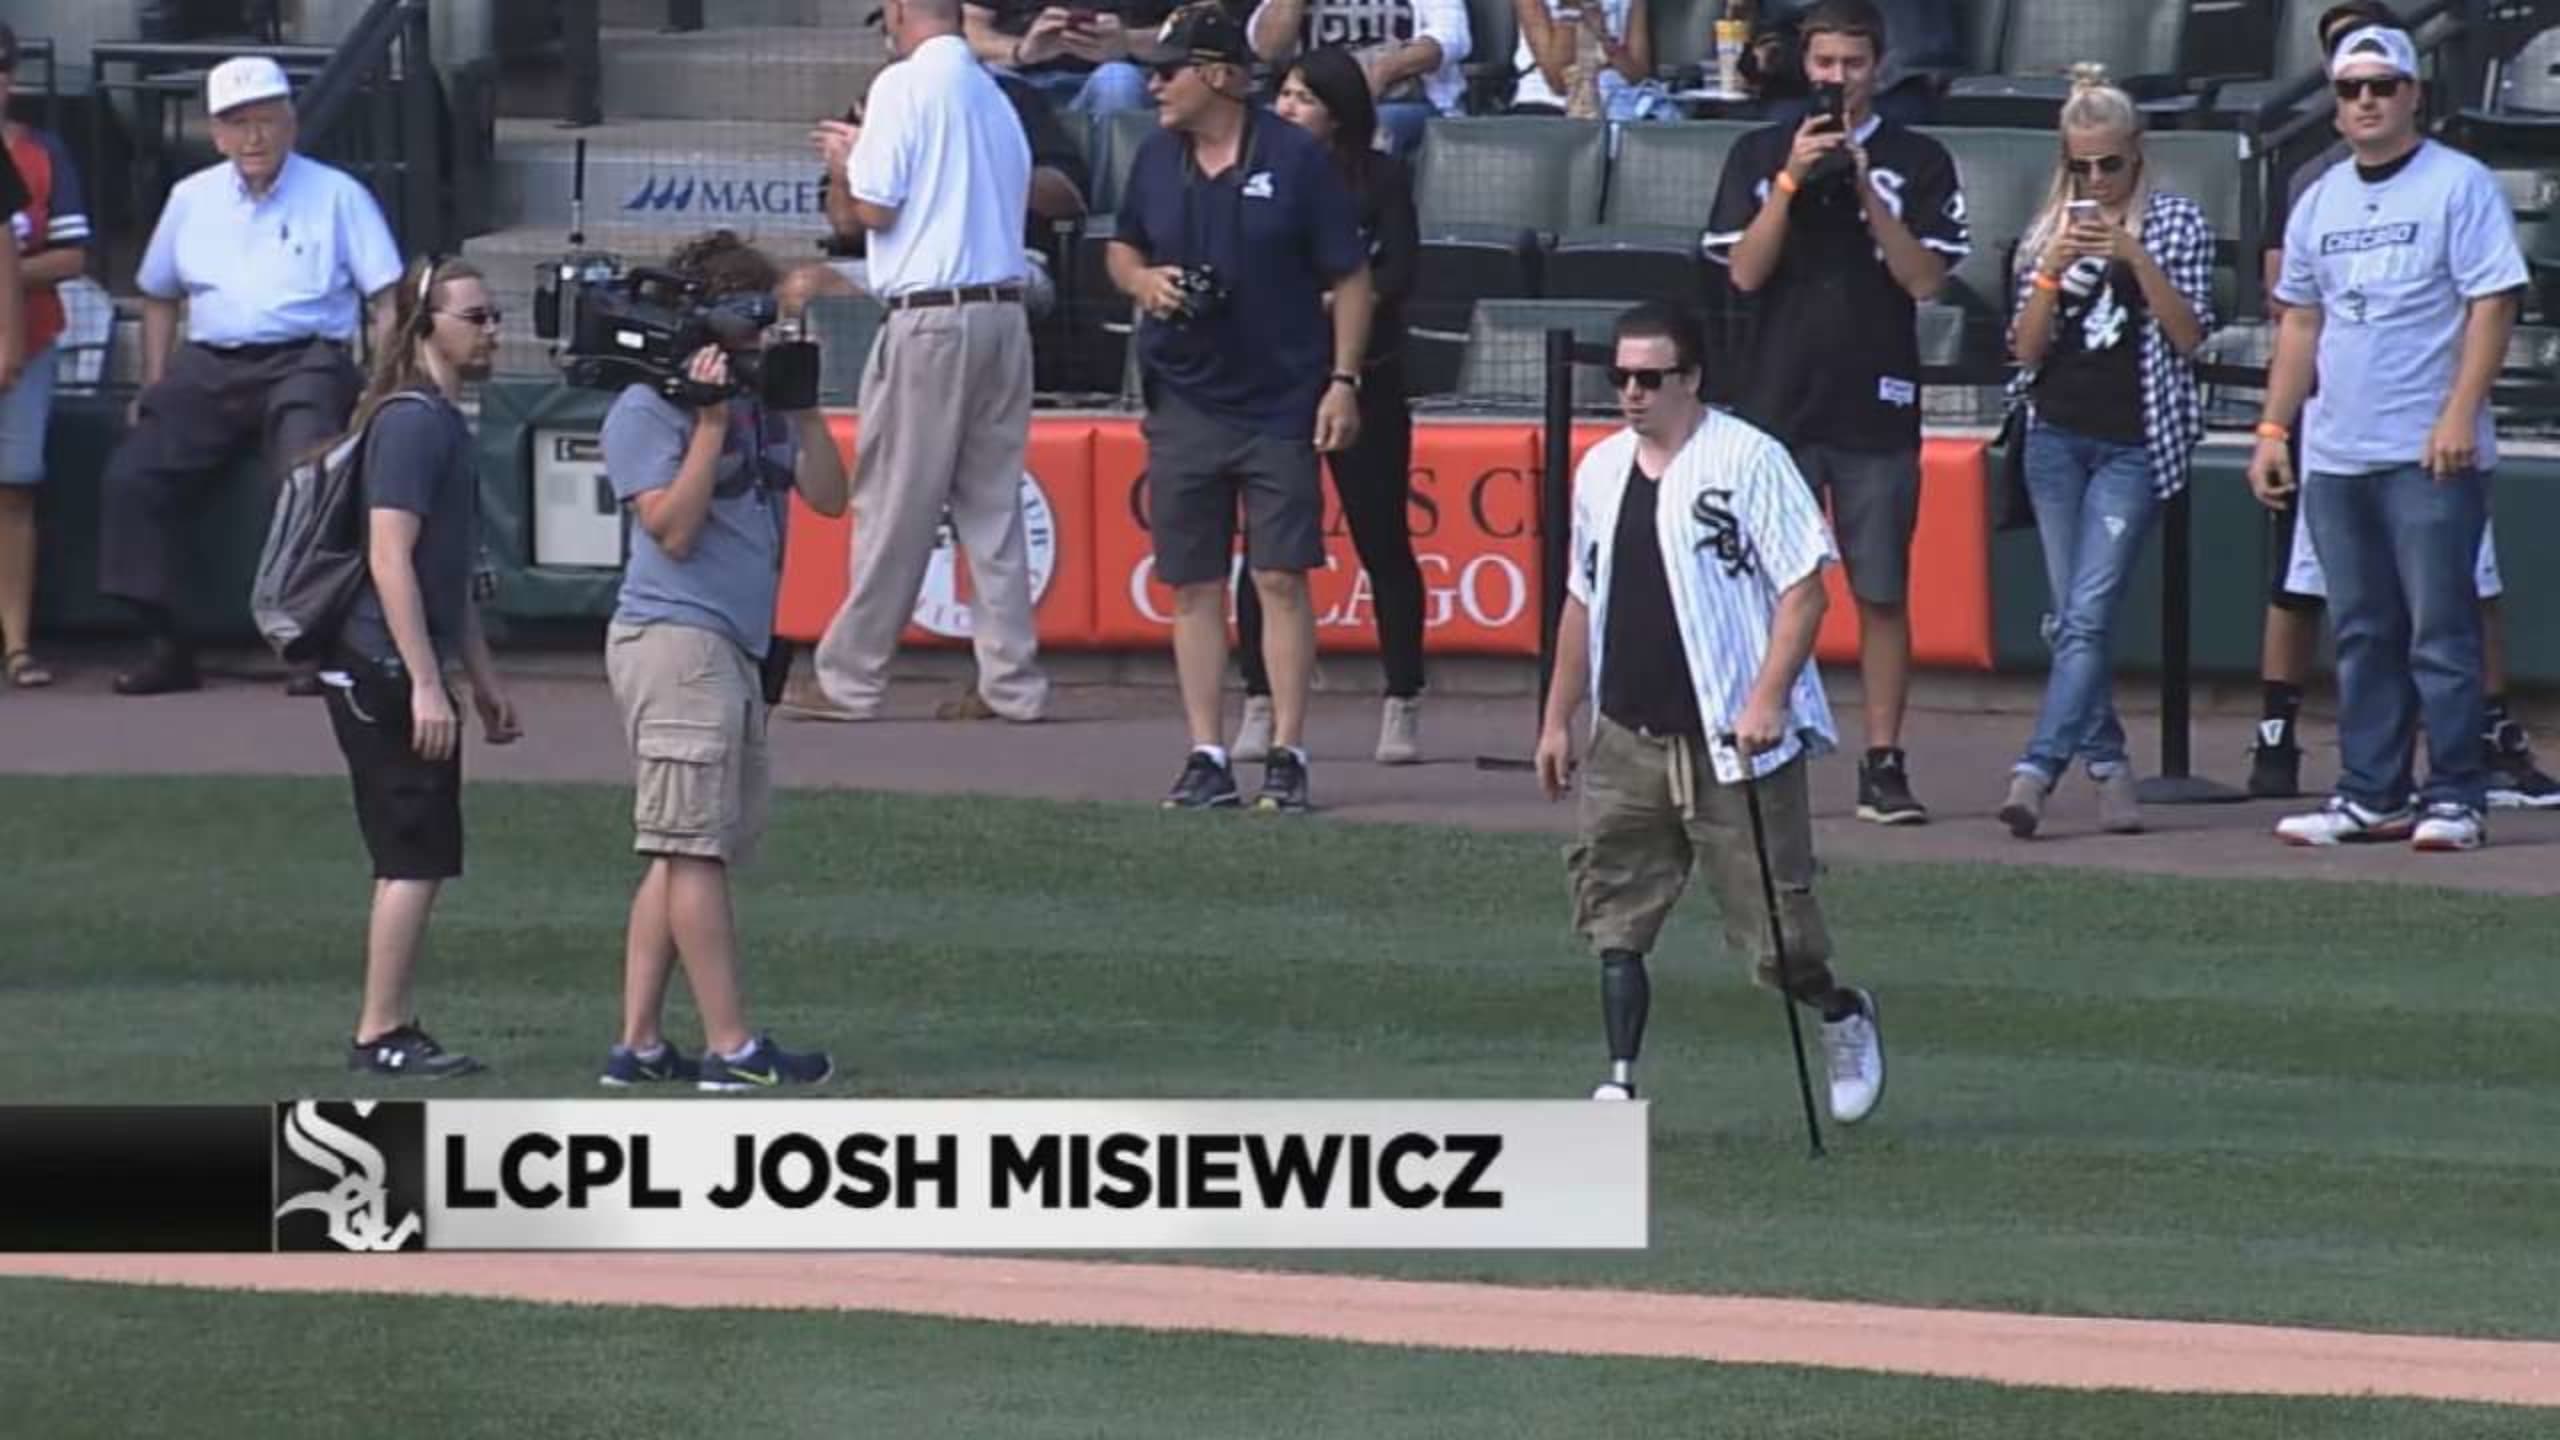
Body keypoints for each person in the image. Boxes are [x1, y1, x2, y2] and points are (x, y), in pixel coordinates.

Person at [1533, 302, 1884, 1120]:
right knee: (1615, 910)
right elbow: (1582, 599)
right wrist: (1557, 719)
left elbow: (1804, 589)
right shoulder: (1601, 470)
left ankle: (1840, 1011)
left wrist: (1766, 699)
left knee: (1779, 939)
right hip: (1627, 735)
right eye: (1619, 377)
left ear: (1690, 379)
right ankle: (1619, 1080)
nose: (1630, 393)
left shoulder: (1749, 459)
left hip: (1732, 742)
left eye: (1649, 379)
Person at [2245, 0, 2554, 809]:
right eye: (2351, 90)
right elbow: (2301, 322)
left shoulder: (2459, 184)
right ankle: (2371, 792)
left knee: (2441, 633)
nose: (2367, 102)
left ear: (2413, 94)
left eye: (2383, 85)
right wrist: (2275, 428)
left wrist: (2459, 412)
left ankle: (2454, 793)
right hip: (2339, 449)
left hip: (2427, 448)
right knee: (2362, 633)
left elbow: (2495, 303)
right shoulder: (2319, 199)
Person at [599, 232, 851, 1089]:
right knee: (692, 849)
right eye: (752, 323)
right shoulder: (646, 407)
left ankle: (636, 1046)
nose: (760, 340)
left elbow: (828, 497)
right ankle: (732, 1049)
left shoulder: (760, 398)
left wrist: (805, 407)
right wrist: (709, 425)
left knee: (682, 850)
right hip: (676, 636)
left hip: (731, 643)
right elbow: (670, 529)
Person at [1707, 0, 1967, 825]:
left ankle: (1883, 761)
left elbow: (1926, 280)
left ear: (1878, 67)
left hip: (1874, 398)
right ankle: (1751, 742)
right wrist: (1790, 179)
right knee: (1756, 589)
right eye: (1824, 63)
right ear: (1804, 65)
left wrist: (1859, 182)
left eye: (1852, 64)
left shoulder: (1917, 158)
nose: (1836, 78)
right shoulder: (1757, 151)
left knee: (1880, 590)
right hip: (1775, 400)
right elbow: (1742, 273)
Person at [1110, 3, 1374, 812]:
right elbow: (1121, 245)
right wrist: (1142, 282)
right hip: (1184, 396)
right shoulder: (1155, 158)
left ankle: (1288, 752)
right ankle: (1206, 752)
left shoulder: (1296, 159)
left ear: (1220, 75)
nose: (1155, 84)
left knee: (1279, 576)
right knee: (1190, 583)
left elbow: (1352, 276)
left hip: (1281, 397)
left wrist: (1344, 380)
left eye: (1171, 70)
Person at [98, 55, 402, 698]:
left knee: (304, 476)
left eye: (266, 120)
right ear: (215, 132)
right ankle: (166, 642)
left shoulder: (337, 193)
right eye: (237, 124)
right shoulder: (192, 198)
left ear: (291, 122)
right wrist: (154, 381)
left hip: (308, 358)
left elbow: (386, 297)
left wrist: (380, 382)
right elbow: (157, 293)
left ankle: (306, 642)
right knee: (134, 476)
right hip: (208, 363)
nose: (253, 137)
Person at [805, 0, 1051, 726]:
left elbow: (872, 212)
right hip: (1005, 312)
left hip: (931, 317)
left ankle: (850, 680)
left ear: (907, 10)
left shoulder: (902, 85)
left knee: (893, 501)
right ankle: (1013, 682)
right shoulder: (995, 96)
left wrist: (848, 163)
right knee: (992, 508)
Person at [1994, 67, 2214, 841]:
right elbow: (2022, 350)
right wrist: (2053, 270)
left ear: (2136, 155)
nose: (2094, 179)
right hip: (2055, 436)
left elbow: (2191, 337)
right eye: (2079, 165)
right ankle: (2112, 769)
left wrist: (2132, 254)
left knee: (2087, 615)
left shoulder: (2177, 223)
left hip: (2134, 443)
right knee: (2072, 620)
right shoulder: (2045, 228)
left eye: (2108, 164)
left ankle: (2037, 771)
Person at [326, 258, 518, 1080]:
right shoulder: (414, 424)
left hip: (399, 662)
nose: (492, 330)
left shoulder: (438, 419)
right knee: (411, 853)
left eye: (493, 315)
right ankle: (378, 1033)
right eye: (475, 317)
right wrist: (427, 684)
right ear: (425, 325)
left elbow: (448, 576)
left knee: (424, 850)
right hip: (382, 666)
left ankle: (395, 1019)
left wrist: (482, 678)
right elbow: (390, 558)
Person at [1233, 48, 1426, 767]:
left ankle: (1402, 696)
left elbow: (1398, 273)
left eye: (1303, 98)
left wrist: (1333, 302)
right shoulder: (1259, 176)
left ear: (1338, 112)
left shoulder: (1380, 178)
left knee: (1383, 544)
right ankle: (1258, 698)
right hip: (1277, 383)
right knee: (1267, 552)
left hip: (1365, 381)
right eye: (1281, 94)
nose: (1285, 108)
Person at [0, 23, 72, 690]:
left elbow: (74, 253)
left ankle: (16, 643)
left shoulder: (40, 153)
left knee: (16, 486)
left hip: (28, 338)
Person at [1246, 0, 1471, 155]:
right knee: (1261, 124)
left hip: (1398, 99)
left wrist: (1381, 73)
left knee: (1378, 125)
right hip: (1311, 97)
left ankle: (1361, 217)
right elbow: (1267, 49)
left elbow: (1453, 36)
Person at [963, 0, 1155, 116]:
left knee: (1118, 79)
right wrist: (1020, 51)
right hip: (1021, 77)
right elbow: (968, 30)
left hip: (1116, 78)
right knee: (984, 80)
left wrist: (1128, 41)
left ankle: (1117, 184)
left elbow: (1180, 36)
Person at [1508, 0, 1664, 121]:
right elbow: (1559, 84)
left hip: (1618, 101)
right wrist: (1571, 9)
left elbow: (1638, 75)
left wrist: (1604, 38)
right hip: (1549, 102)